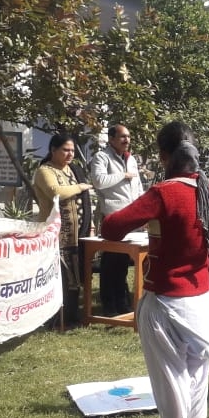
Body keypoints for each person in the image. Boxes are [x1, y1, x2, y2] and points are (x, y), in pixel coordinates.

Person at [100, 121, 209, 418]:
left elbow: (112, 227)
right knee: (196, 383)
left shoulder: (164, 193)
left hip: (166, 302)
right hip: (200, 301)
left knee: (171, 384)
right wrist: (204, 287)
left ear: (164, 155)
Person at [33, 134, 93, 327]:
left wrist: (90, 224)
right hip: (56, 236)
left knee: (75, 277)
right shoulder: (44, 171)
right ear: (53, 150)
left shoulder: (73, 170)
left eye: (72, 150)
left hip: (77, 235)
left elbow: (85, 202)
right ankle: (56, 318)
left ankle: (73, 316)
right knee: (60, 276)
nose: (70, 154)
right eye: (65, 150)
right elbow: (56, 192)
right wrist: (80, 186)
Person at [89, 123, 144, 316]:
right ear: (111, 139)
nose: (126, 140)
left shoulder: (131, 159)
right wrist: (123, 175)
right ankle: (109, 304)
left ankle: (123, 302)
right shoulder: (101, 157)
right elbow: (98, 181)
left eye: (128, 137)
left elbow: (138, 186)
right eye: (122, 137)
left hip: (131, 216)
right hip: (112, 215)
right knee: (110, 261)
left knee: (122, 263)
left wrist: (143, 209)